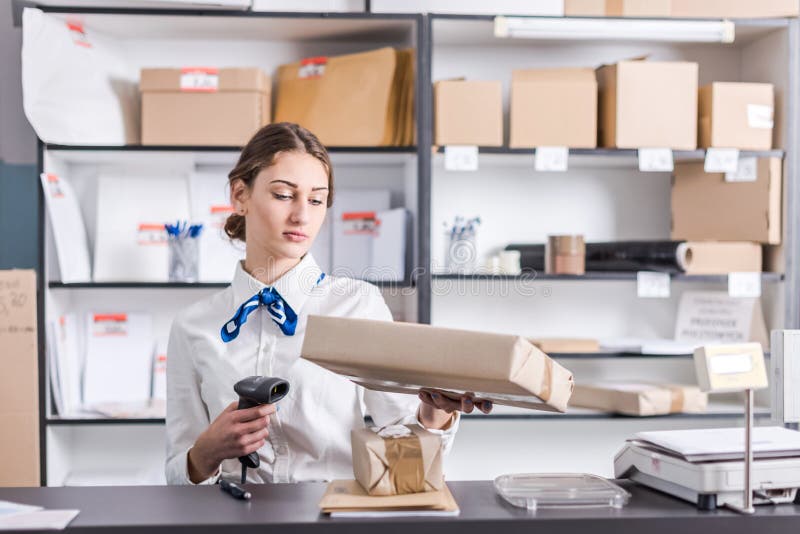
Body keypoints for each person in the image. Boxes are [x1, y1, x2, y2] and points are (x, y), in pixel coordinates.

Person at [166, 122, 492, 485]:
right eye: (283, 195)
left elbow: (406, 444)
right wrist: (206, 453)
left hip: (330, 516)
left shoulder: (356, 305)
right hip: (228, 521)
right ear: (240, 195)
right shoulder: (192, 325)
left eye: (316, 199)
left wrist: (433, 413)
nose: (302, 215)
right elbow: (178, 475)